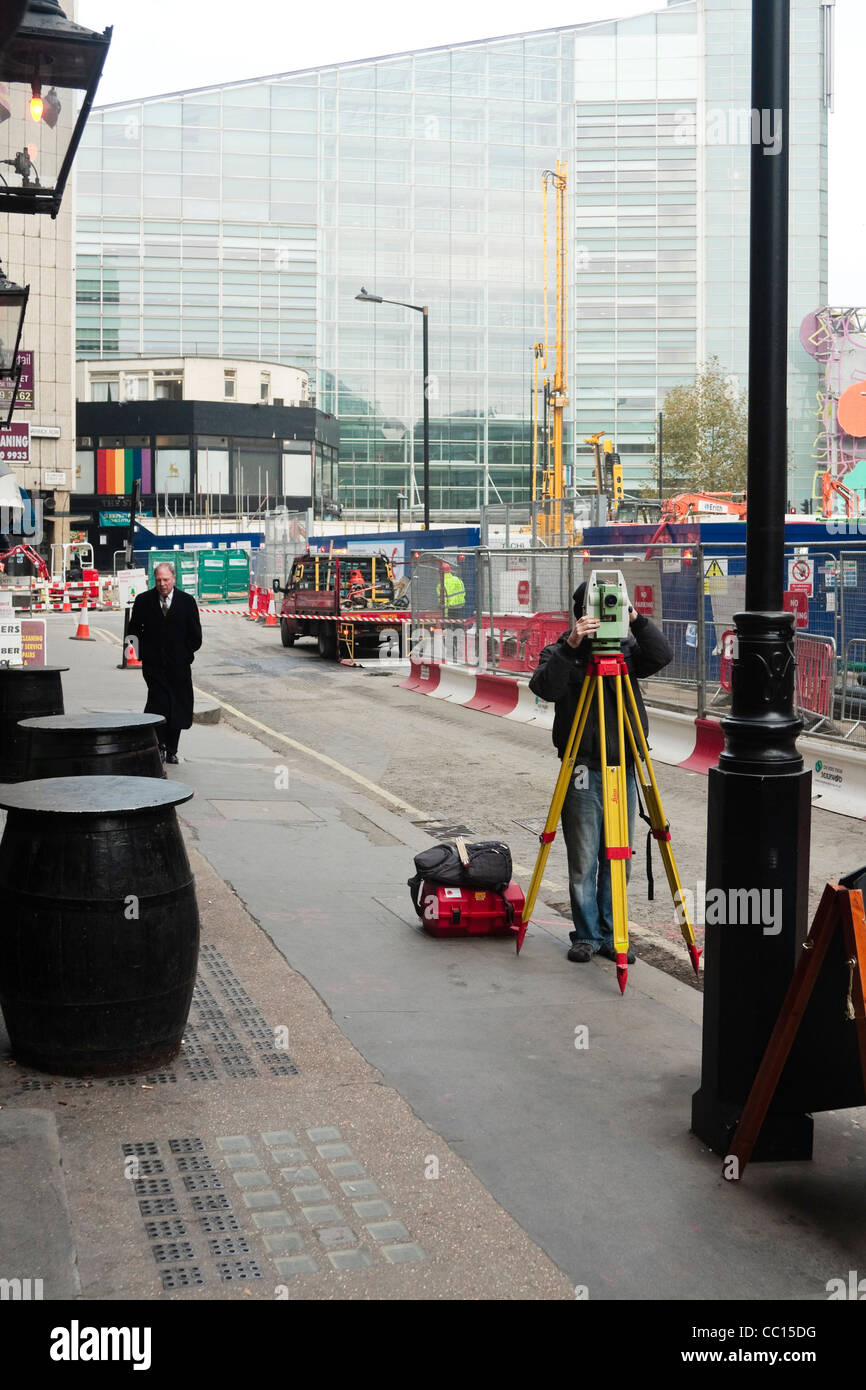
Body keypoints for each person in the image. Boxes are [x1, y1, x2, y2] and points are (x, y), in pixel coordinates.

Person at [529, 581, 672, 964]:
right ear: (581, 613)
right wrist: (572, 646)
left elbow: (661, 655)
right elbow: (544, 686)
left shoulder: (627, 651)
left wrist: (636, 620)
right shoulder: (563, 650)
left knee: (617, 855)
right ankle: (587, 935)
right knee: (584, 857)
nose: (608, 613)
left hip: (622, 765)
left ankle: (613, 933)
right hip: (582, 768)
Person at [127, 561, 202, 764]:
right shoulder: (143, 600)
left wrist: (185, 655)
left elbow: (196, 636)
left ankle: (172, 749)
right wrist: (137, 653)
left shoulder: (187, 602)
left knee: (177, 707)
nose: (162, 584)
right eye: (158, 580)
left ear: (174, 579)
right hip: (154, 666)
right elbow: (132, 630)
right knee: (158, 705)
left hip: (179, 666)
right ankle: (158, 745)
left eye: (166, 580)